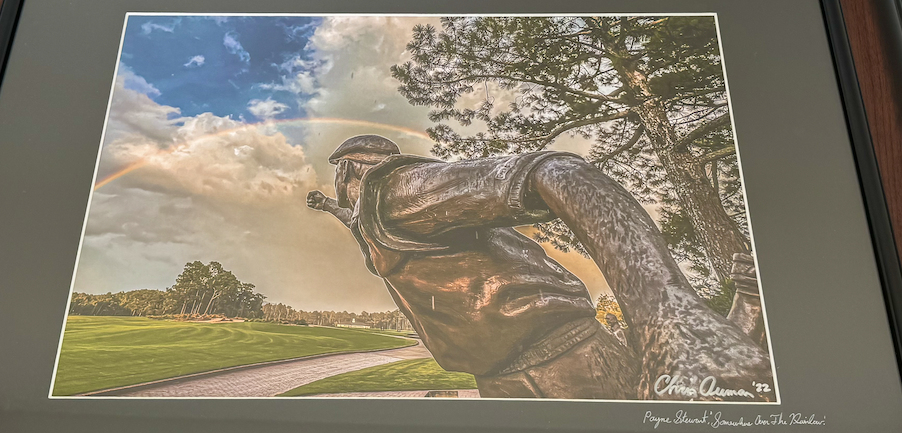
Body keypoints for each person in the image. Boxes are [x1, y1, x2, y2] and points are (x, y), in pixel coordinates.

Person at [307, 135, 773, 401]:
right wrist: (329, 206)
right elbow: (358, 225)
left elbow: (554, 170)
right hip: (512, 374)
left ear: (348, 170)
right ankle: (748, 303)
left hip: (563, 361)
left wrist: (670, 320)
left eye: (337, 178)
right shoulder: (378, 216)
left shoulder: (398, 187)